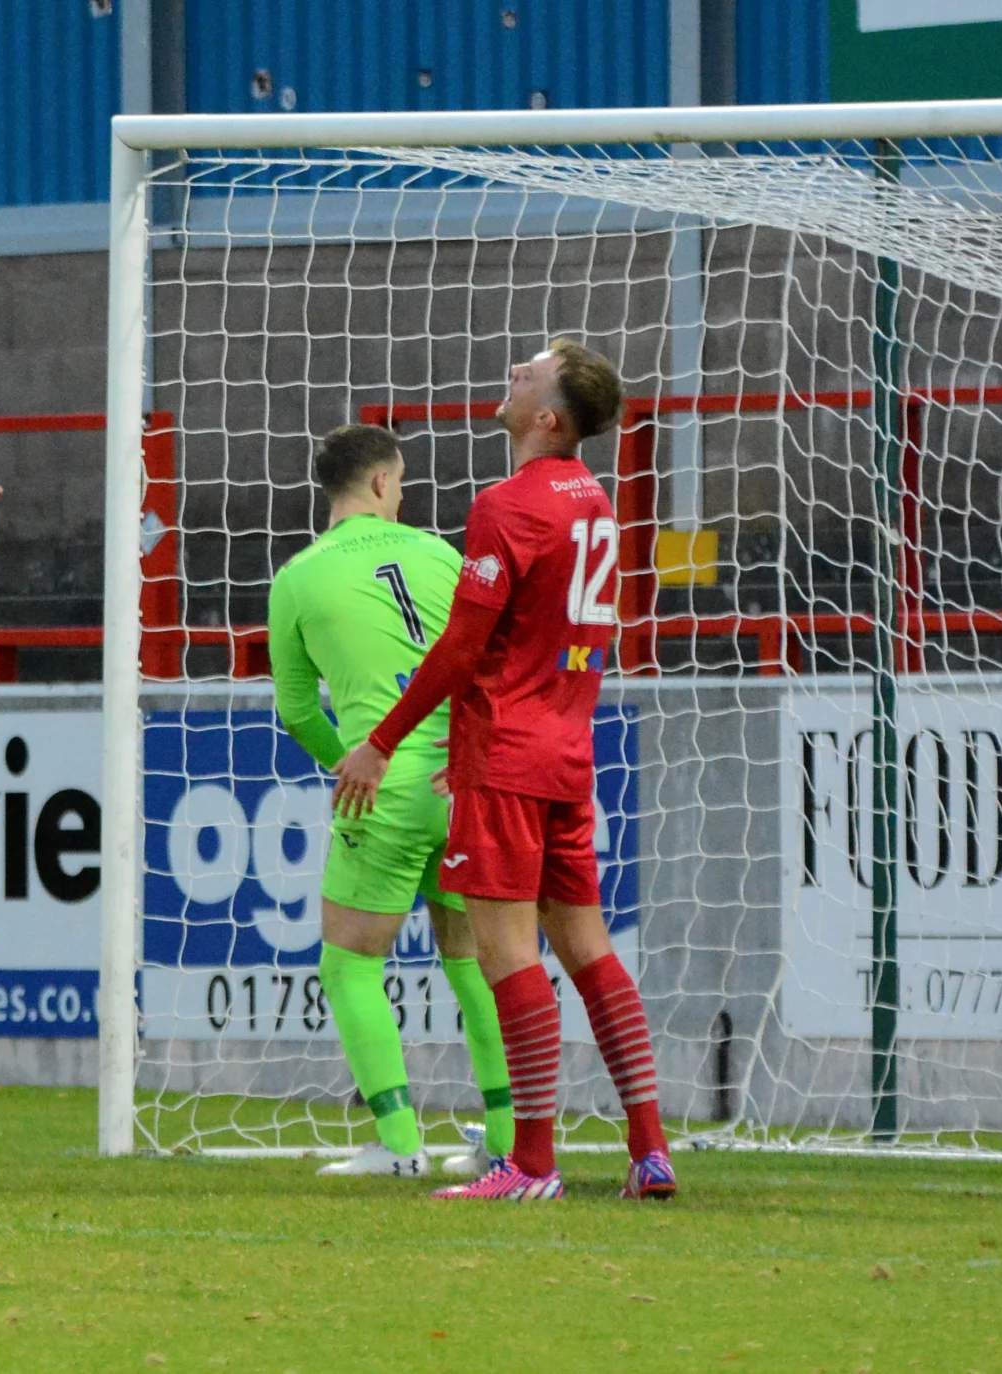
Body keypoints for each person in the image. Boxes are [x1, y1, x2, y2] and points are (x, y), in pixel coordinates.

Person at [336, 339, 676, 1203]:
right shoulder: (592, 498)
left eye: (530, 373)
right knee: (590, 950)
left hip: (510, 756)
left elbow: (462, 645)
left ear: (548, 418)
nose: (512, 376)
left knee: (508, 958)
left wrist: (383, 740)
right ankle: (649, 1150)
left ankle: (530, 1165)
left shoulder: (507, 504)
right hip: (567, 750)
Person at [266, 424, 511, 1181]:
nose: (402, 497)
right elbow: (489, 660)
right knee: (474, 959)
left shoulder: (299, 578)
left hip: (386, 789)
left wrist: (348, 764)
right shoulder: (442, 556)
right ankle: (506, 1139)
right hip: (461, 783)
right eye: (400, 484)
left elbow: (298, 708)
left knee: (350, 965)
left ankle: (401, 1144)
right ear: (380, 485)